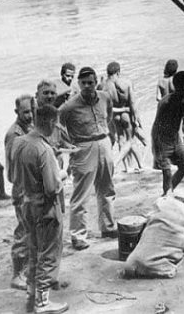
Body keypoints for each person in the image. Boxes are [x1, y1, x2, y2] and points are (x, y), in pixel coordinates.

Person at [11, 104, 68, 314]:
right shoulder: (43, 150)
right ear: (52, 122)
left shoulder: (19, 142)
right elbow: (52, 187)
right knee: (49, 253)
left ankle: (32, 291)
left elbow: (13, 176)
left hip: (27, 203)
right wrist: (62, 174)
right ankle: (42, 302)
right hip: (45, 208)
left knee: (34, 251)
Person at [59, 66, 116, 250]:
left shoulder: (105, 97)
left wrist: (107, 137)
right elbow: (58, 127)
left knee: (107, 188)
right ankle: (78, 235)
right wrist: (69, 146)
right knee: (81, 193)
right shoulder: (70, 106)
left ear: (96, 82)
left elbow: (109, 116)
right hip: (83, 147)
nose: (87, 87)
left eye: (90, 83)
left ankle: (108, 227)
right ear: (78, 83)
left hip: (104, 142)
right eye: (83, 83)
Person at [5, 94, 34, 291]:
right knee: (23, 232)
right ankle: (17, 275)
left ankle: (26, 270)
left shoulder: (29, 129)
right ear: (17, 112)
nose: (30, 115)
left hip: (31, 187)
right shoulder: (14, 134)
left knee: (31, 231)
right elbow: (12, 170)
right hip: (22, 189)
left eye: (32, 111)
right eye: (26, 112)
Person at [152, 70, 184, 195]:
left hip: (174, 138)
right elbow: (158, 125)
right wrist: (159, 149)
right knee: (167, 172)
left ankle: (167, 192)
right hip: (161, 139)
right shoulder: (166, 102)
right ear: (181, 86)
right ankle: (167, 194)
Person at [100, 61, 145, 170]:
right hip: (127, 114)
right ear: (118, 72)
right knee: (131, 140)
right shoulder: (126, 83)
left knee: (121, 138)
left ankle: (131, 167)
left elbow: (105, 107)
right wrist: (136, 118)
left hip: (115, 115)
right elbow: (133, 102)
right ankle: (116, 163)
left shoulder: (103, 86)